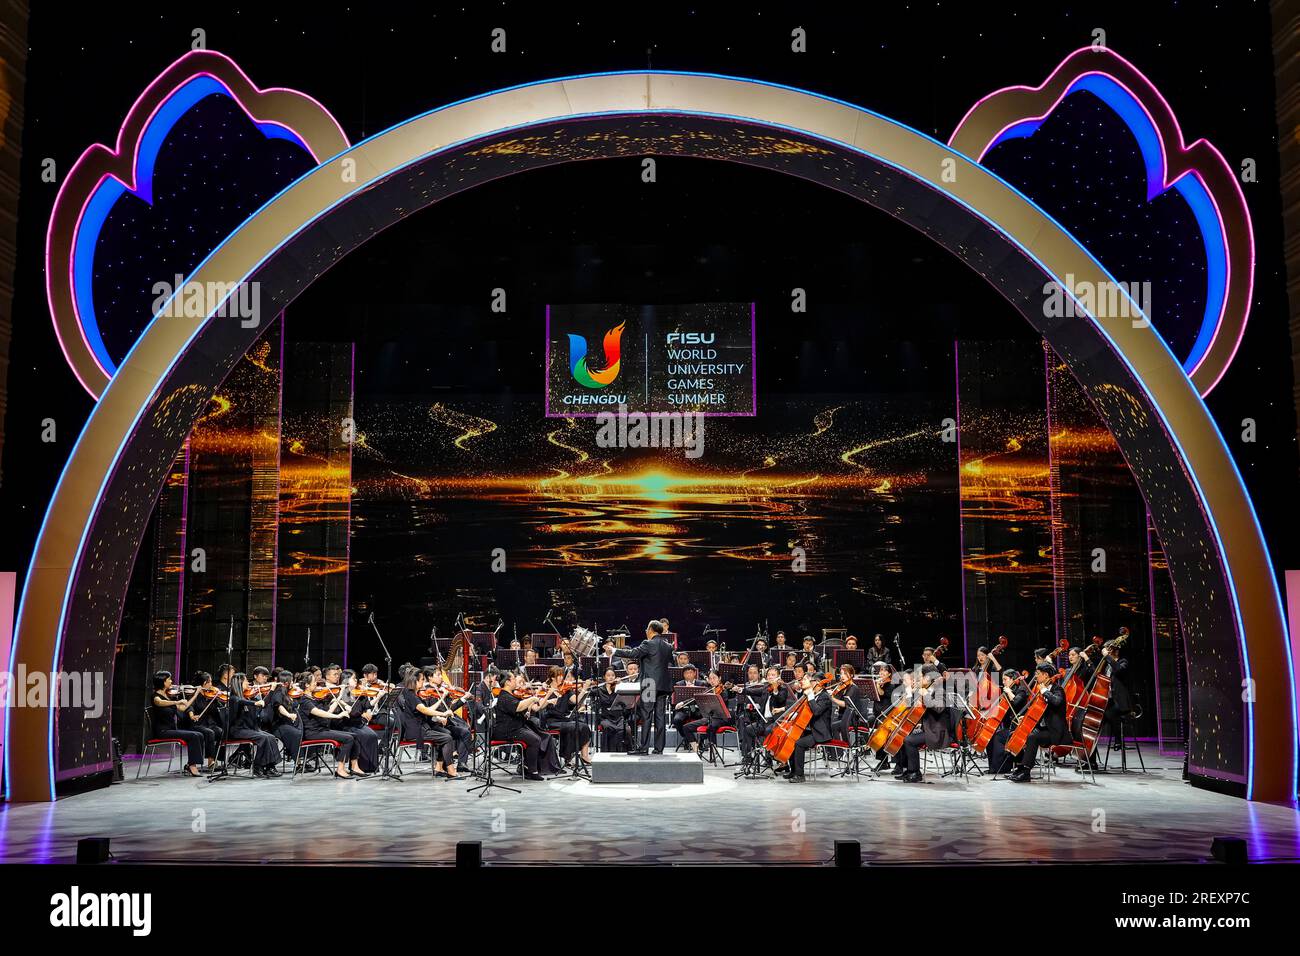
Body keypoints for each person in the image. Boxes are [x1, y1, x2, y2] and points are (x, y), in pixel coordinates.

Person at [604, 619, 674, 755]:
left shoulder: (648, 643)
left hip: (649, 683)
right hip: (663, 685)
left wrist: (614, 650)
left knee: (647, 715)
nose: (646, 632)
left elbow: (632, 653)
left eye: (647, 629)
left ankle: (643, 748)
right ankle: (659, 749)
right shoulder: (668, 646)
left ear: (651, 630)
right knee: (660, 717)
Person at [1008, 665, 1069, 782]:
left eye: (1038, 673)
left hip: (1056, 732)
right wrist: (1025, 718)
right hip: (1044, 729)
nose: (1036, 676)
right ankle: (1020, 767)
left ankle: (1026, 772)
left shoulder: (1057, 689)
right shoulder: (1041, 689)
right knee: (1017, 733)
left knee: (1033, 737)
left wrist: (1045, 691)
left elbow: (1056, 702)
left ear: (1046, 675)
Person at [492, 670, 557, 780]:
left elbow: (518, 710)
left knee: (537, 735)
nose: (515, 682)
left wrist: (525, 713)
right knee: (535, 740)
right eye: (513, 679)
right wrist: (532, 698)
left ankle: (528, 767)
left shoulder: (509, 695)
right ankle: (531, 771)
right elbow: (517, 707)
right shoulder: (504, 696)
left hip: (514, 728)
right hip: (507, 731)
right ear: (507, 682)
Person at [896, 668, 952, 783]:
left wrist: (925, 695)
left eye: (920, 677)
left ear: (927, 678)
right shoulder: (925, 689)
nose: (918, 680)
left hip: (937, 731)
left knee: (909, 740)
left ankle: (915, 772)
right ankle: (907, 769)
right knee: (903, 735)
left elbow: (939, 709)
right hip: (928, 727)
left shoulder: (940, 690)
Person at [149, 672, 207, 776]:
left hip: (171, 730)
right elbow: (159, 702)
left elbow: (183, 708)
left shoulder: (168, 696)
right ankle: (192, 766)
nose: (171, 681)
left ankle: (191, 764)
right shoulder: (155, 696)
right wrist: (177, 702)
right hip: (162, 731)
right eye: (169, 679)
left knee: (199, 734)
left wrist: (196, 694)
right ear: (163, 682)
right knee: (193, 736)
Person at [226, 672, 282, 776]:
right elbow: (240, 702)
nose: (248, 683)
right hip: (238, 730)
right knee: (263, 738)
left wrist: (271, 691)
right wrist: (254, 703)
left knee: (271, 737)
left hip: (249, 728)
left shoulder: (247, 696)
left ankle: (270, 767)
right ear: (239, 682)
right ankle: (258, 766)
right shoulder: (234, 698)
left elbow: (263, 704)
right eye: (246, 681)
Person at [785, 673, 832, 783]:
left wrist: (810, 695)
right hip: (813, 730)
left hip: (821, 733)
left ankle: (800, 776)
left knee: (799, 743)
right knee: (793, 738)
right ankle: (794, 771)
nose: (810, 684)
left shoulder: (824, 697)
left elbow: (816, 712)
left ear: (817, 683)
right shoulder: (815, 695)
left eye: (811, 681)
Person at [595, 667, 631, 752]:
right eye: (608, 675)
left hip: (618, 717)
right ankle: (608, 752)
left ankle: (623, 752)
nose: (611, 677)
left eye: (613, 675)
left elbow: (627, 700)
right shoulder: (599, 690)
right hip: (605, 718)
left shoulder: (618, 688)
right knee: (608, 727)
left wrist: (621, 684)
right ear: (604, 677)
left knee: (626, 729)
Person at [829, 663, 865, 743]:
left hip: (852, 719)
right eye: (841, 673)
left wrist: (832, 698)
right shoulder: (844, 687)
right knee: (828, 722)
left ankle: (840, 750)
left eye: (845, 673)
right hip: (842, 716)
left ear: (851, 675)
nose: (842, 676)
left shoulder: (853, 688)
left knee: (834, 726)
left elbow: (845, 704)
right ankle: (833, 750)